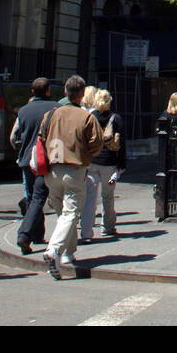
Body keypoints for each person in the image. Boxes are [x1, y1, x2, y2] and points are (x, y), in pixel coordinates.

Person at [39, 75, 104, 280]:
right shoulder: (86, 117)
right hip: (74, 169)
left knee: (62, 214)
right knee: (70, 213)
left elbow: (41, 137)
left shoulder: (51, 114)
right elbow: (97, 142)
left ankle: (67, 254)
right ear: (82, 94)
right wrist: (84, 154)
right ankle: (55, 250)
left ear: (65, 91)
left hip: (52, 169)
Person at [13, 78, 60, 254]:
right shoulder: (56, 109)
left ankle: (38, 234)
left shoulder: (23, 111)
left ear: (32, 92)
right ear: (48, 90)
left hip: (27, 158)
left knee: (33, 196)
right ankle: (24, 234)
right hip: (45, 159)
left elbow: (14, 136)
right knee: (38, 198)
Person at [80, 89, 127, 241]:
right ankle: (108, 227)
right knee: (108, 195)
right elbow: (122, 143)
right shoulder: (116, 118)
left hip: (92, 162)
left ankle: (86, 231)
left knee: (89, 197)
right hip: (110, 164)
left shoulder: (90, 117)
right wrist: (122, 164)